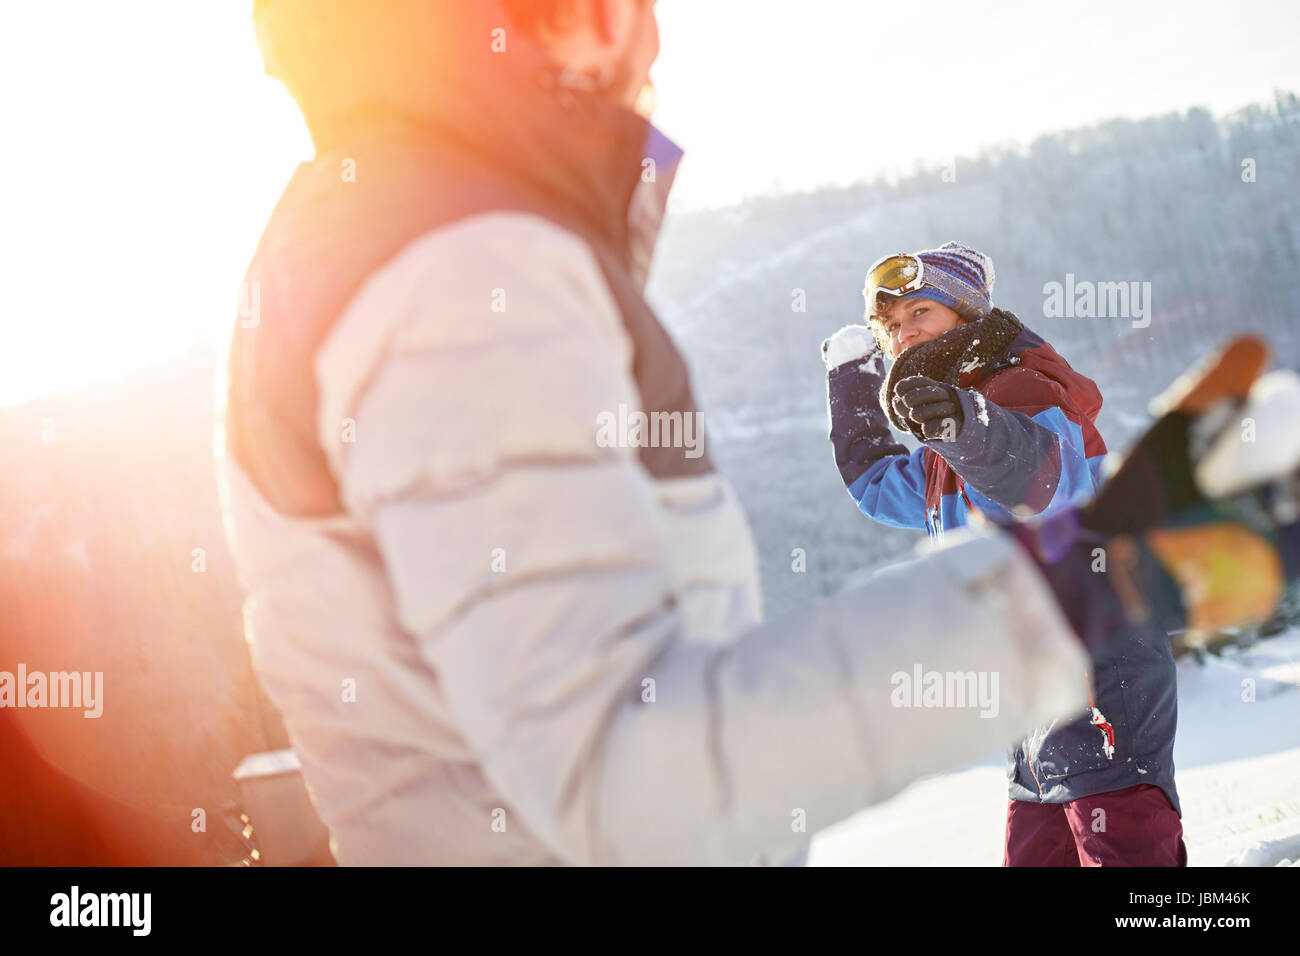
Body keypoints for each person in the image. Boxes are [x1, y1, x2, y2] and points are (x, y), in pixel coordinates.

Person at [217, 0, 1298, 865]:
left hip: (1096, 686)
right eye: (617, 11)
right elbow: (629, 778)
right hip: (1041, 688)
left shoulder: (412, 239)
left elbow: (1042, 469)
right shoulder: (464, 267)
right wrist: (863, 403)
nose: (646, 43)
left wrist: (1082, 567)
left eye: (920, 313)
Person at [823, 242, 1186, 865]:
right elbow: (879, 488)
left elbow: (1046, 482)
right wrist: (852, 383)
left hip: (1099, 670)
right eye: (892, 327)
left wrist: (966, 425)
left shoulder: (1019, 384)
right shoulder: (948, 434)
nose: (904, 335)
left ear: (965, 316)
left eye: (921, 315)